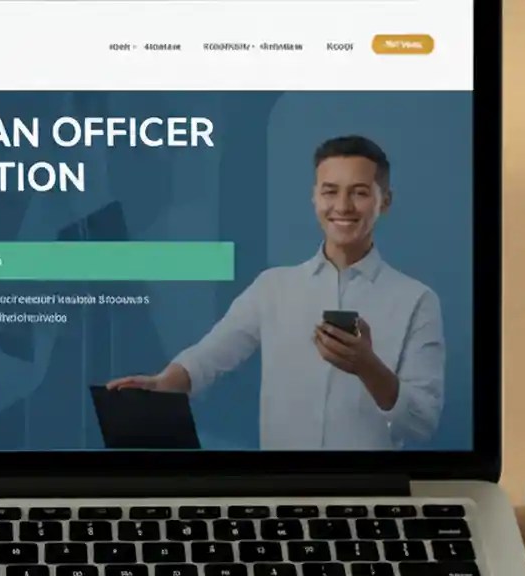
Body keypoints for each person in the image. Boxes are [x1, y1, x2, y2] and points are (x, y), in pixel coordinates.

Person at [107, 135, 444, 450]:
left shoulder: (417, 301)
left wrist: (368, 366)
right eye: (330, 191)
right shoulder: (273, 288)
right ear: (314, 198)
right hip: (281, 496)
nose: (342, 205)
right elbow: (209, 357)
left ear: (384, 201)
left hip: (368, 498)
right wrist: (165, 384)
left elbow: (421, 423)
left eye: (359, 192)